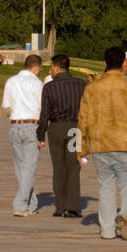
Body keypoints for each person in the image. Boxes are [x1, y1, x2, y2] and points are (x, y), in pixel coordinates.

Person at [77, 47, 127, 239]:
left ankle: (107, 230)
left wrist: (80, 147)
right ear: (124, 64)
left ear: (105, 63)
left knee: (106, 187)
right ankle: (125, 213)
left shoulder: (92, 88)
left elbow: (82, 119)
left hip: (101, 144)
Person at [37, 54, 87, 217]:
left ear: (56, 68)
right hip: (75, 128)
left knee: (58, 168)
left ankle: (60, 206)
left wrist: (41, 134)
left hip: (56, 128)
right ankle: (72, 207)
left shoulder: (50, 87)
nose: (50, 70)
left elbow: (45, 113)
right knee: (73, 167)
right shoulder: (81, 84)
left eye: (51, 67)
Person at [2, 54, 43, 216]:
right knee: (29, 167)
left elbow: (6, 104)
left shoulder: (11, 81)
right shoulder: (37, 83)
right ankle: (20, 204)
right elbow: (42, 106)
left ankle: (31, 204)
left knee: (21, 168)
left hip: (14, 125)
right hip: (31, 125)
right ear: (35, 68)